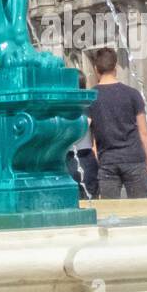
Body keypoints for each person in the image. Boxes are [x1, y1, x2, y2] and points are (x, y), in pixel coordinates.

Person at [88, 47, 147, 199]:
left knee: (110, 213)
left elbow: (86, 129)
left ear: (95, 69)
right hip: (134, 159)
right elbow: (143, 131)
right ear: (116, 67)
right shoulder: (132, 94)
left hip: (107, 162)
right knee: (140, 210)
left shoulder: (91, 97)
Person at [66, 71, 98, 199]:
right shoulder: (88, 104)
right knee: (92, 198)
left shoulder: (62, 105)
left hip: (67, 158)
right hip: (85, 157)